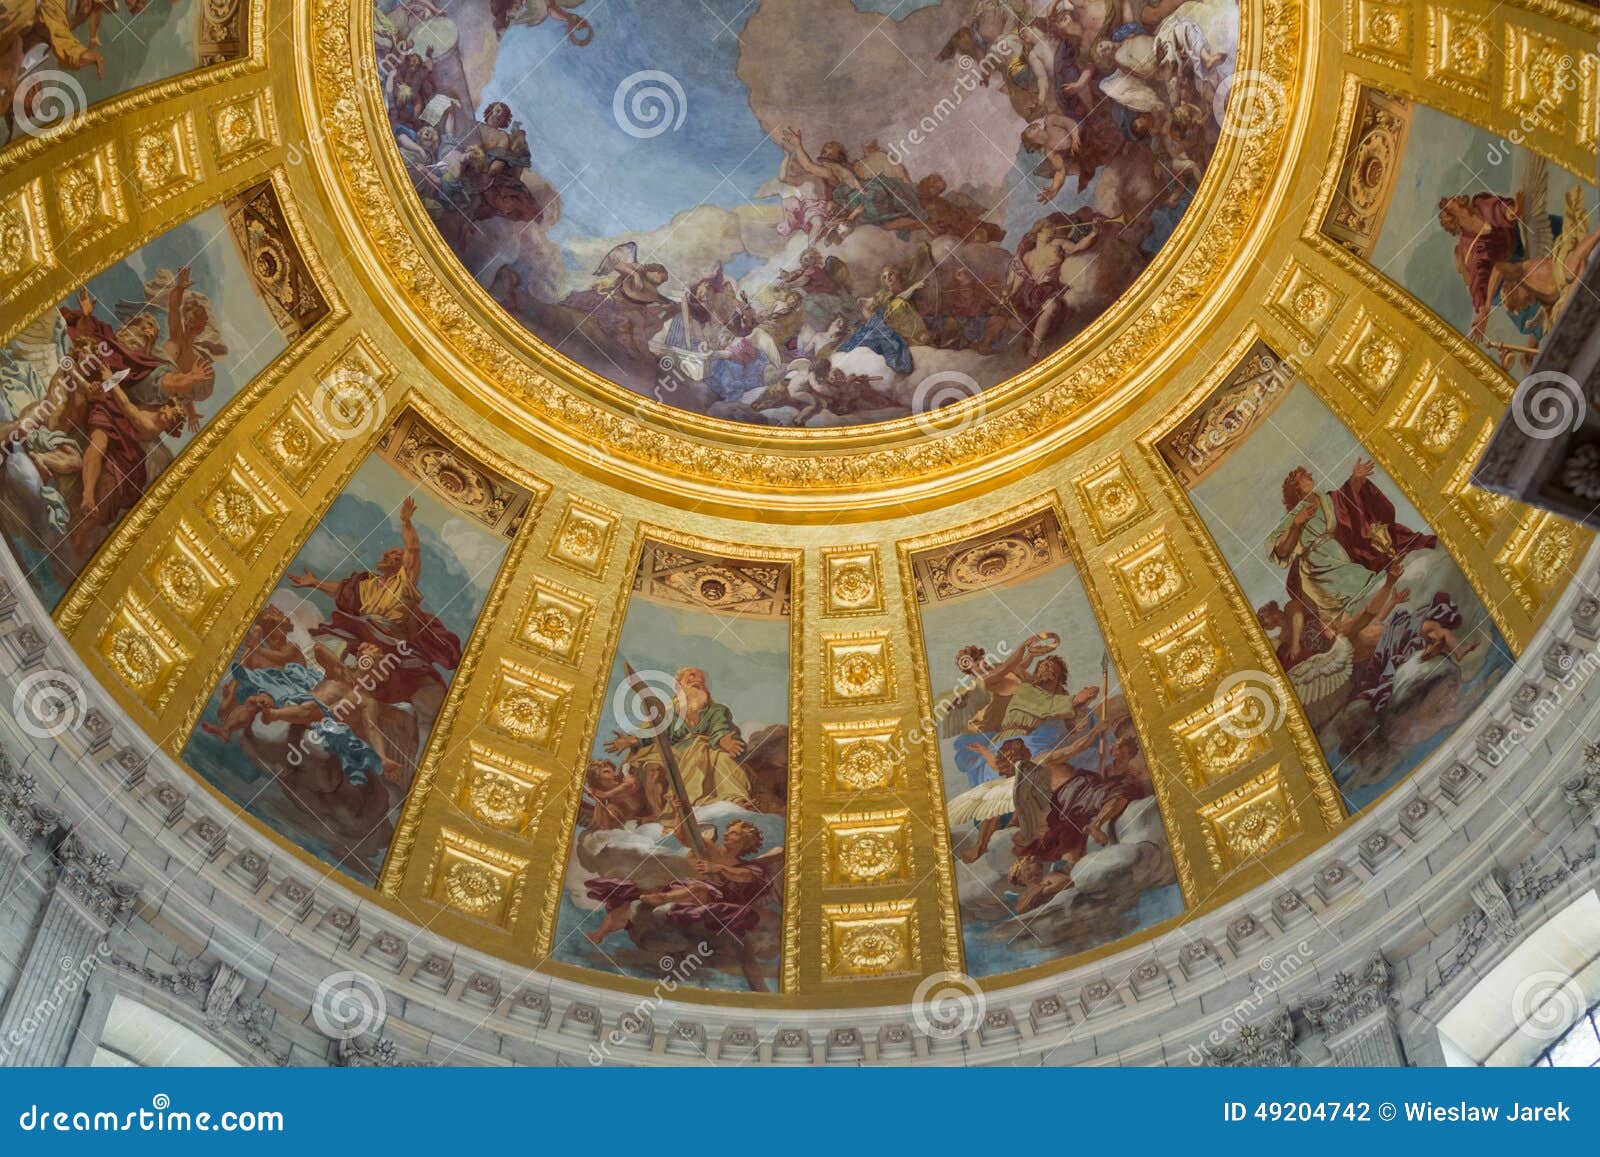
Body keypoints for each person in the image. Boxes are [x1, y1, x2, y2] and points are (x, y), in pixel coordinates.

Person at [287, 495, 464, 732]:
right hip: (365, 632)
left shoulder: (404, 583)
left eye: (394, 555)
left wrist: (406, 523)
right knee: (330, 639)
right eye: (388, 553)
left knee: (369, 653)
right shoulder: (369, 584)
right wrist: (314, 582)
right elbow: (342, 591)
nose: (387, 555)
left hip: (392, 636)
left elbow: (413, 548)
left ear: (402, 565)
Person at [1268, 460, 1436, 667]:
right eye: (1303, 476)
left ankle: (1392, 618)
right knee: (1349, 602)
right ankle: (1377, 631)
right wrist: (1296, 524)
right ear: (1296, 489)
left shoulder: (1326, 499)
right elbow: (1282, 550)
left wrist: (1356, 479)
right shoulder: (1294, 515)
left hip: (1339, 555)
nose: (1310, 475)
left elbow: (1347, 501)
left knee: (1365, 585)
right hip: (1317, 570)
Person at [603, 667, 752, 806]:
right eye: (691, 676)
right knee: (653, 768)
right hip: (675, 754)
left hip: (706, 753)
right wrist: (632, 740)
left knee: (722, 759)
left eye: (701, 680)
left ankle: (735, 801)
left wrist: (722, 739)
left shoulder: (716, 710)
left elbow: (721, 727)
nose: (697, 679)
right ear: (678, 686)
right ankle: (663, 814)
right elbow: (656, 731)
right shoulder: (670, 713)